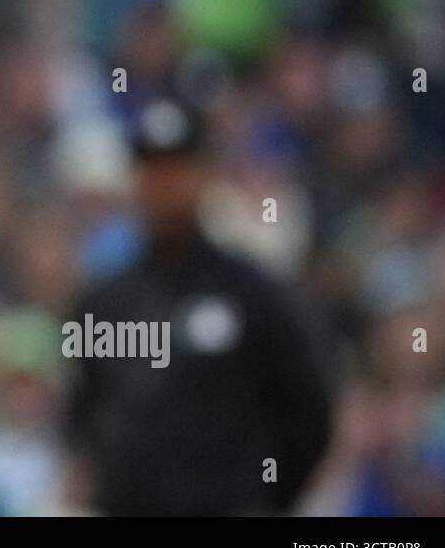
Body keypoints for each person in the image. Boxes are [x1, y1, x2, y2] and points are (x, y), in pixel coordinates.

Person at [64, 96, 335, 515]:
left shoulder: (251, 294)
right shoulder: (105, 302)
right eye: (152, 170)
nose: (164, 185)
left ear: (206, 174)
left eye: (177, 168)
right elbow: (83, 411)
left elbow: (306, 414)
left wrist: (267, 499)